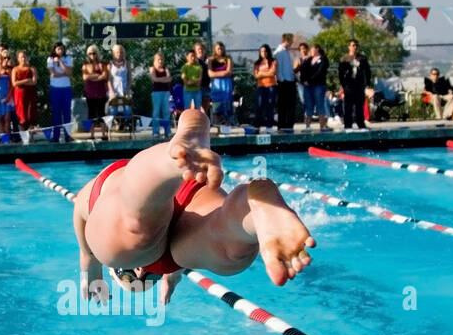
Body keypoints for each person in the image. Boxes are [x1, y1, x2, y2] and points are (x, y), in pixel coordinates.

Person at [72, 108, 315, 307]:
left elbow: (80, 215)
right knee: (228, 250)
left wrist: (90, 263)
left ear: (116, 272)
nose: (140, 272)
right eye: (150, 277)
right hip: (191, 193)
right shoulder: (171, 259)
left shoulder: (105, 184)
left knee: (132, 229)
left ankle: (172, 160)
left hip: (164, 184)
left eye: (127, 274)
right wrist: (170, 276)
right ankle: (253, 207)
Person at [337, 39, 372, 130]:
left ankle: (361, 124)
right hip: (349, 85)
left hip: (359, 85)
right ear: (349, 47)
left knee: (359, 106)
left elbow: (368, 72)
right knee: (348, 106)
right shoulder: (344, 58)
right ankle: (348, 125)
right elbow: (340, 73)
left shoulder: (362, 58)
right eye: (352, 45)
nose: (354, 47)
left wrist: (367, 84)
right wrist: (343, 84)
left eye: (356, 45)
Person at [47, 41, 74, 142]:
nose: (60, 51)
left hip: (66, 88)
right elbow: (53, 73)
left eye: (62, 49)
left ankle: (68, 135)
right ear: (54, 50)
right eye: (58, 49)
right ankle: (56, 136)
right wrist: (64, 73)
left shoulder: (68, 59)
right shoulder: (50, 59)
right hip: (55, 88)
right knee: (56, 113)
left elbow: (69, 73)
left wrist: (61, 62)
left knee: (67, 113)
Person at [82, 45, 109, 137]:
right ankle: (92, 135)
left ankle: (103, 134)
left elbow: (104, 76)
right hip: (90, 93)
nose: (92, 55)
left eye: (94, 53)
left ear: (97, 53)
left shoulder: (103, 64)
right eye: (90, 53)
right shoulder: (86, 65)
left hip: (101, 92)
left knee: (102, 113)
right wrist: (97, 76)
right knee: (91, 113)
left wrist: (92, 77)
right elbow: (85, 77)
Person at [301, 44, 329, 128]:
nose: (310, 51)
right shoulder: (308, 60)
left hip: (319, 86)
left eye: (312, 49)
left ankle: (322, 126)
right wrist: (304, 81)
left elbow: (320, 72)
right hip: (308, 87)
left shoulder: (323, 59)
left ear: (317, 49)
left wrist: (309, 80)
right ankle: (307, 126)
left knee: (320, 105)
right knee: (308, 106)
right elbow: (303, 71)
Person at [11, 50, 38, 133]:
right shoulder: (15, 69)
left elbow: (34, 82)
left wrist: (21, 82)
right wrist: (26, 80)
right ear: (18, 59)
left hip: (30, 95)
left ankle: (31, 135)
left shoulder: (32, 69)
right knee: (21, 115)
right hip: (20, 96)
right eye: (21, 57)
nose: (23, 59)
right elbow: (14, 83)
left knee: (30, 114)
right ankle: (23, 135)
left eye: (24, 57)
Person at [107, 44, 133, 130]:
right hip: (114, 91)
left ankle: (124, 125)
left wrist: (128, 89)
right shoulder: (110, 65)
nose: (119, 54)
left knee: (127, 110)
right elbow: (109, 80)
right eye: (117, 52)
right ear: (114, 53)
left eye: (121, 52)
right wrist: (112, 92)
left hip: (124, 90)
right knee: (113, 111)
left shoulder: (127, 64)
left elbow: (129, 78)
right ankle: (114, 125)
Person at [274, 33, 297, 131]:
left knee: (290, 105)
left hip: (290, 80)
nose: (292, 43)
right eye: (291, 41)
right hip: (284, 82)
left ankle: (289, 125)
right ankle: (282, 125)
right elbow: (278, 68)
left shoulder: (286, 52)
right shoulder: (279, 52)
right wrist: (282, 80)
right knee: (283, 105)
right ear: (286, 41)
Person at [208, 42, 234, 126]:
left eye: (221, 48)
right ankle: (218, 122)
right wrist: (223, 73)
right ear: (215, 49)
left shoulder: (228, 59)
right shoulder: (211, 60)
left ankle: (228, 122)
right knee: (217, 104)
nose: (220, 50)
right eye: (218, 48)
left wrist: (217, 73)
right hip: (216, 85)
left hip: (226, 84)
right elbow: (211, 74)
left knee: (227, 103)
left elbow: (229, 72)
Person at [253, 44, 278, 130]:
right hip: (261, 87)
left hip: (271, 86)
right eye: (262, 51)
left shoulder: (273, 61)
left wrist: (261, 74)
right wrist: (266, 73)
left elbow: (273, 73)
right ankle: (257, 126)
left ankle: (269, 126)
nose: (264, 53)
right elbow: (256, 76)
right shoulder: (257, 63)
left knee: (270, 106)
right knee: (259, 106)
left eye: (265, 51)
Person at [149, 51, 173, 140]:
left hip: (165, 93)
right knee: (156, 113)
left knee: (166, 112)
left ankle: (168, 131)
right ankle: (156, 132)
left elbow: (169, 79)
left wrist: (160, 79)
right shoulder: (152, 69)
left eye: (161, 60)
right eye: (158, 60)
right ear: (154, 61)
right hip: (156, 93)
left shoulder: (166, 69)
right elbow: (154, 79)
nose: (160, 61)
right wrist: (164, 79)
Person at [193, 40, 212, 117]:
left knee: (205, 109)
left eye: (202, 49)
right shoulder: (194, 61)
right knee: (196, 108)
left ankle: (203, 124)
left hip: (206, 87)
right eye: (198, 49)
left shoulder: (208, 61)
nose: (200, 50)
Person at [294, 41, 310, 121]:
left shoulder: (311, 59)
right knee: (303, 100)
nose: (303, 50)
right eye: (301, 49)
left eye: (304, 49)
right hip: (301, 83)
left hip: (310, 83)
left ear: (307, 49)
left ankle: (309, 115)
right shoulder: (298, 60)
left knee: (310, 99)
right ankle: (306, 115)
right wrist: (298, 81)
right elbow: (294, 71)